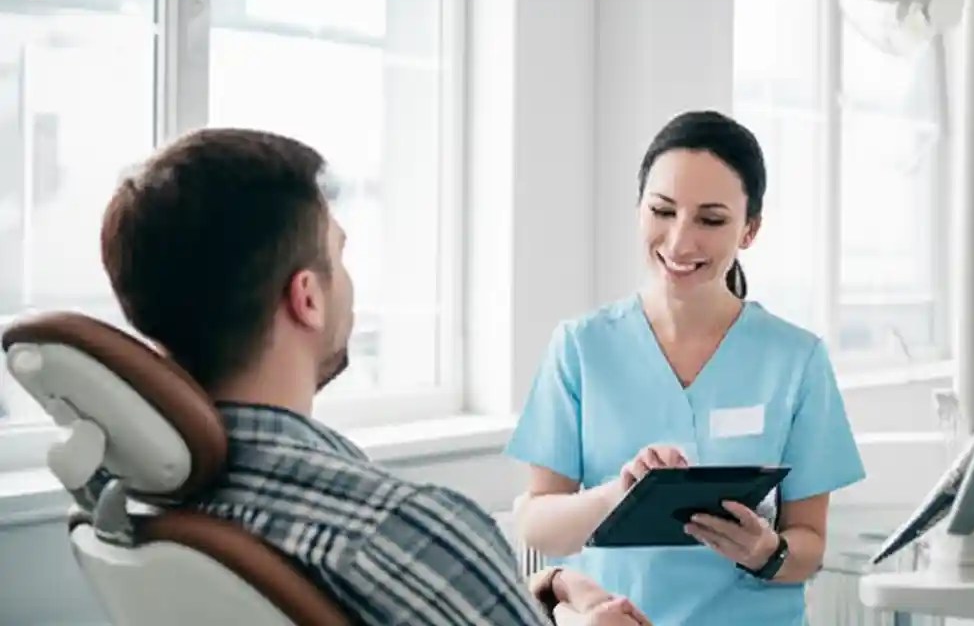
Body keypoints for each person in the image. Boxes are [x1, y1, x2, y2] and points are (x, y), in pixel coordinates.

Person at [98, 127, 650, 626]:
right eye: (339, 257)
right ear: (307, 298)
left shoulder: (124, 502)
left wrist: (548, 592)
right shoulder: (397, 531)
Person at [505, 111, 866, 625]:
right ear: (639, 210)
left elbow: (810, 543)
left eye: (711, 219)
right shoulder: (581, 348)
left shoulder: (796, 360)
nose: (679, 242)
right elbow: (537, 522)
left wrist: (766, 552)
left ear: (750, 230)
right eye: (662, 211)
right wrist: (618, 495)